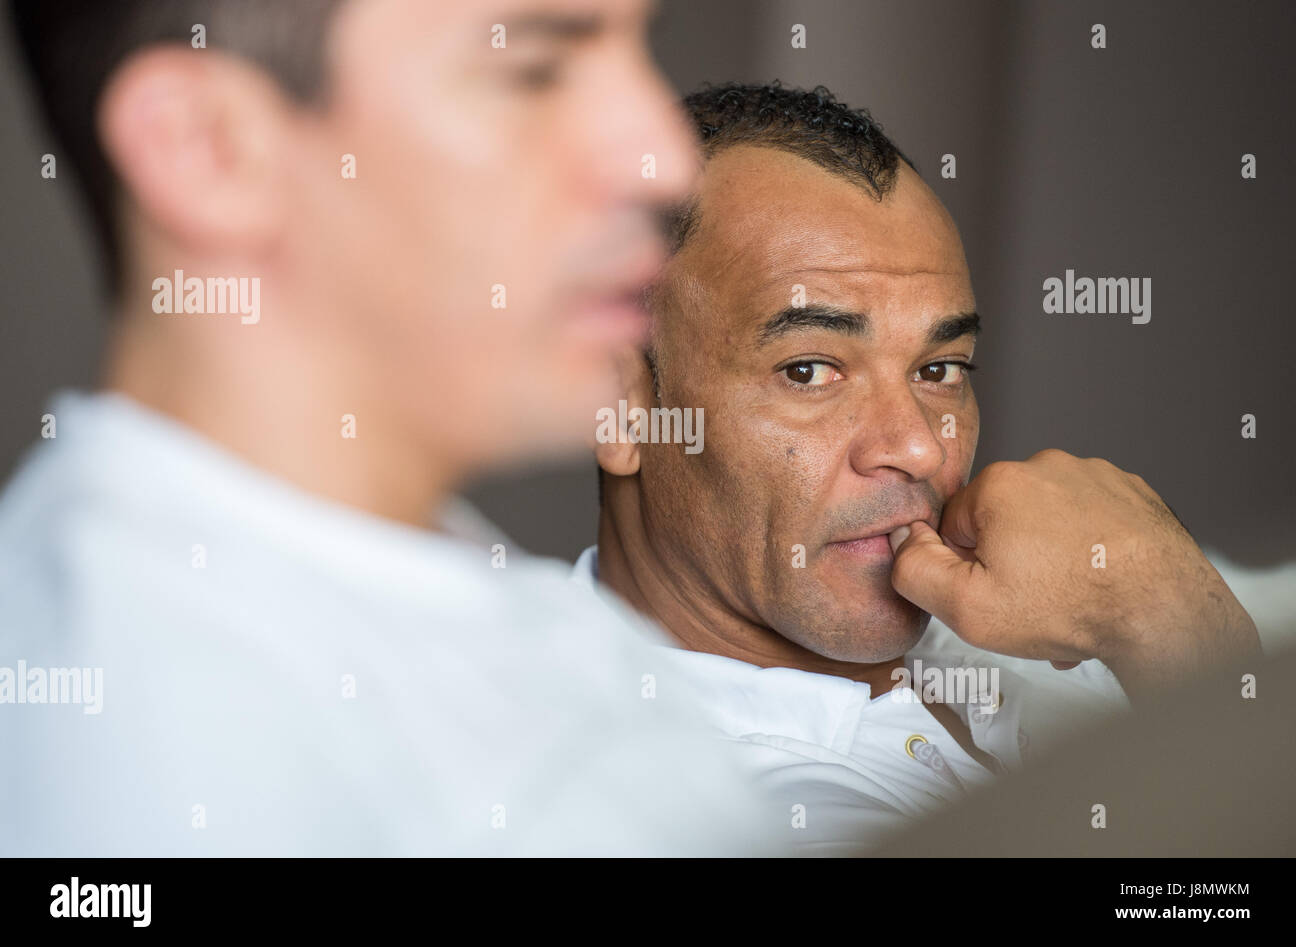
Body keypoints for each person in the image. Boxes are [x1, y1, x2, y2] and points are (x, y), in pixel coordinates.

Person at [0, 0, 778, 856]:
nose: (666, 162)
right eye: (534, 69)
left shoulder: (379, 580)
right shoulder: (150, 755)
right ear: (207, 149)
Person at [584, 82, 1262, 851]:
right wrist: (1175, 629)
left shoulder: (1046, 605)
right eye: (810, 369)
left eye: (940, 368)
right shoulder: (671, 811)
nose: (918, 447)